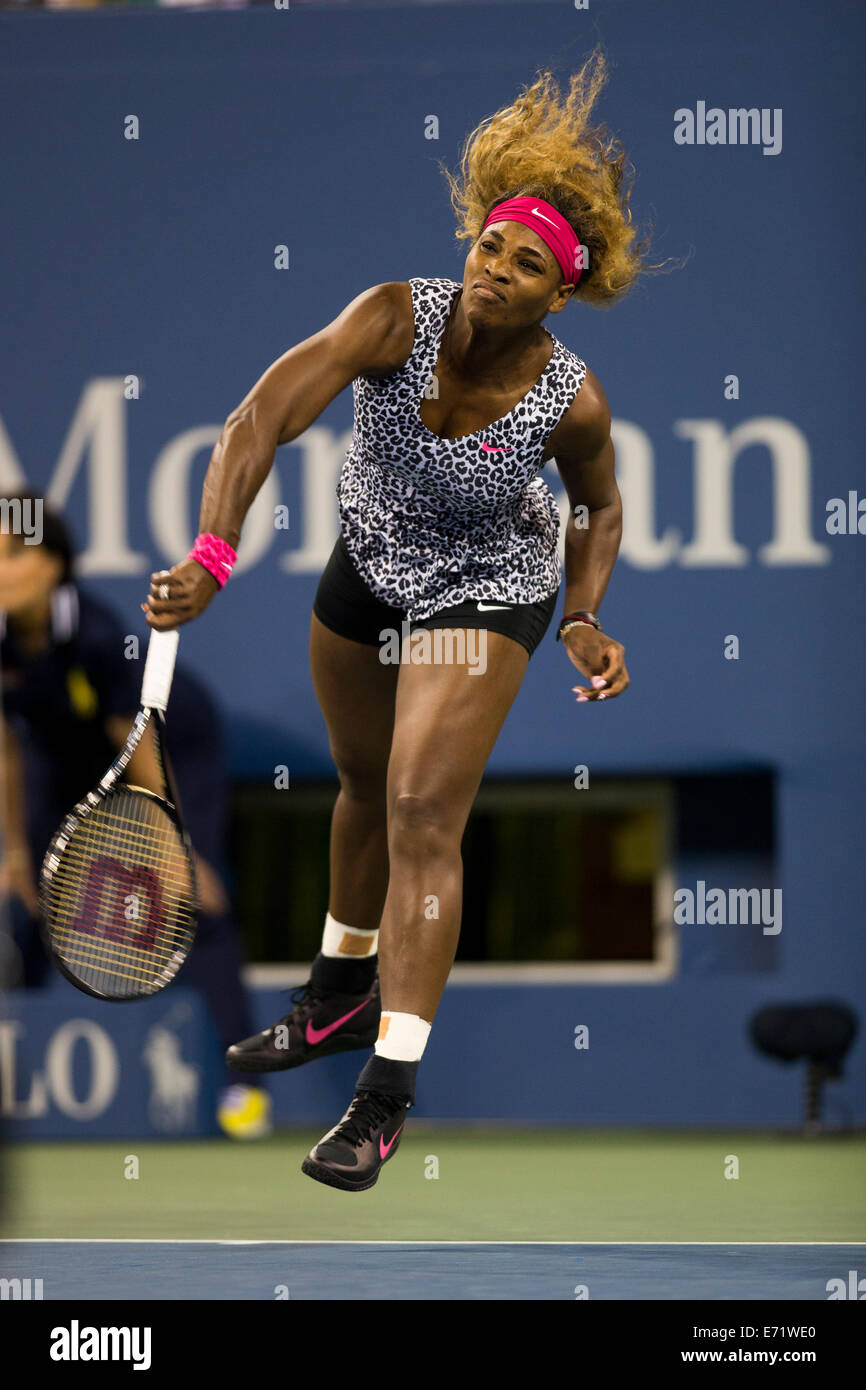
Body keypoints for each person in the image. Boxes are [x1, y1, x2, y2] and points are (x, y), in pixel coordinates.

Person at [143, 53, 656, 1191]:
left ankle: (382, 1094)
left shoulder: (568, 400)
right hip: (367, 564)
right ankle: (334, 994)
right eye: (490, 245)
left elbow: (601, 506)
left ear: (556, 296)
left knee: (425, 805)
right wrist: (213, 556)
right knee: (363, 785)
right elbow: (259, 415)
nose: (496, 273)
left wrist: (581, 613)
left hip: (488, 581)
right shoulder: (390, 316)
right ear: (468, 242)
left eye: (528, 267)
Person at [0, 497, 271, 1140]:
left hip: (169, 746)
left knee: (193, 900)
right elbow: (7, 750)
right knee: (24, 901)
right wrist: (15, 850)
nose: (0, 571)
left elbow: (138, 741)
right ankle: (14, 1076)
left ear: (54, 564)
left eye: (12, 554)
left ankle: (243, 1086)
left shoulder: (95, 635)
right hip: (62, 759)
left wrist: (171, 845)